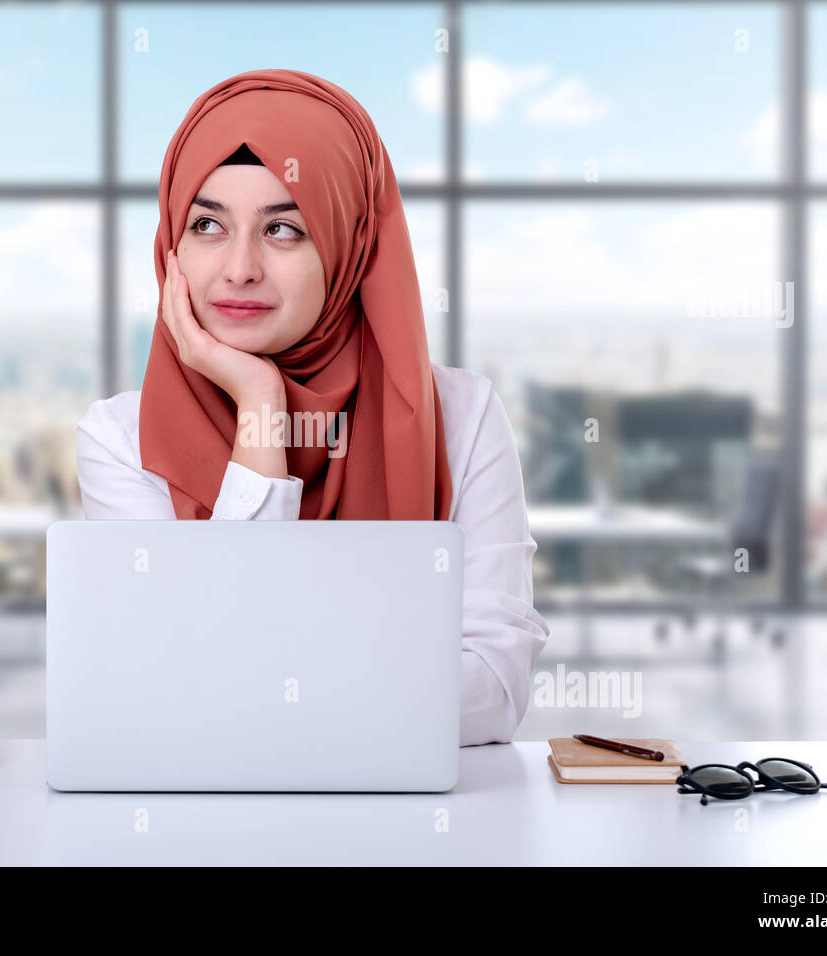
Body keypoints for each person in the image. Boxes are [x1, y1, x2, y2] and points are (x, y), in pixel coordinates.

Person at [76, 68, 549, 745]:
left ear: (349, 246)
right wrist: (260, 405)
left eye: (285, 230)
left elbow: (494, 691)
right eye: (207, 224)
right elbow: (179, 693)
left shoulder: (462, 414)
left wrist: (267, 687)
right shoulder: (122, 439)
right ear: (171, 247)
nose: (240, 268)